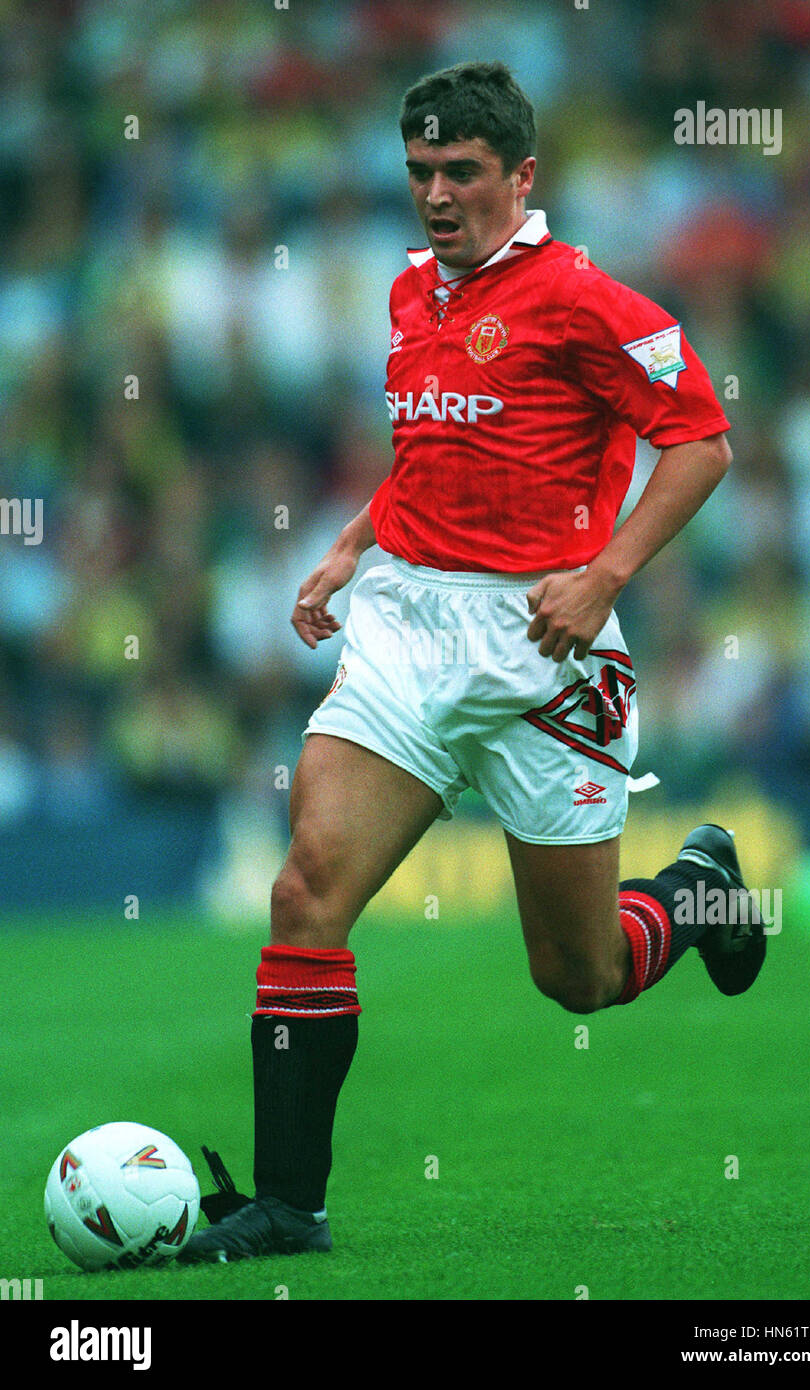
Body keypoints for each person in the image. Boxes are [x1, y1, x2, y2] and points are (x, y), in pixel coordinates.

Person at [180, 61, 766, 1265]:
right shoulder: (409, 292)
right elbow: (430, 447)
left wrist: (604, 574)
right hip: (405, 629)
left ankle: (697, 891)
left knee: (580, 976)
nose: (435, 195)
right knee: (304, 892)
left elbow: (701, 442)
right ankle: (290, 1205)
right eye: (418, 173)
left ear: (520, 176)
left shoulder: (586, 301)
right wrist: (349, 548)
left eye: (459, 173)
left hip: (539, 647)